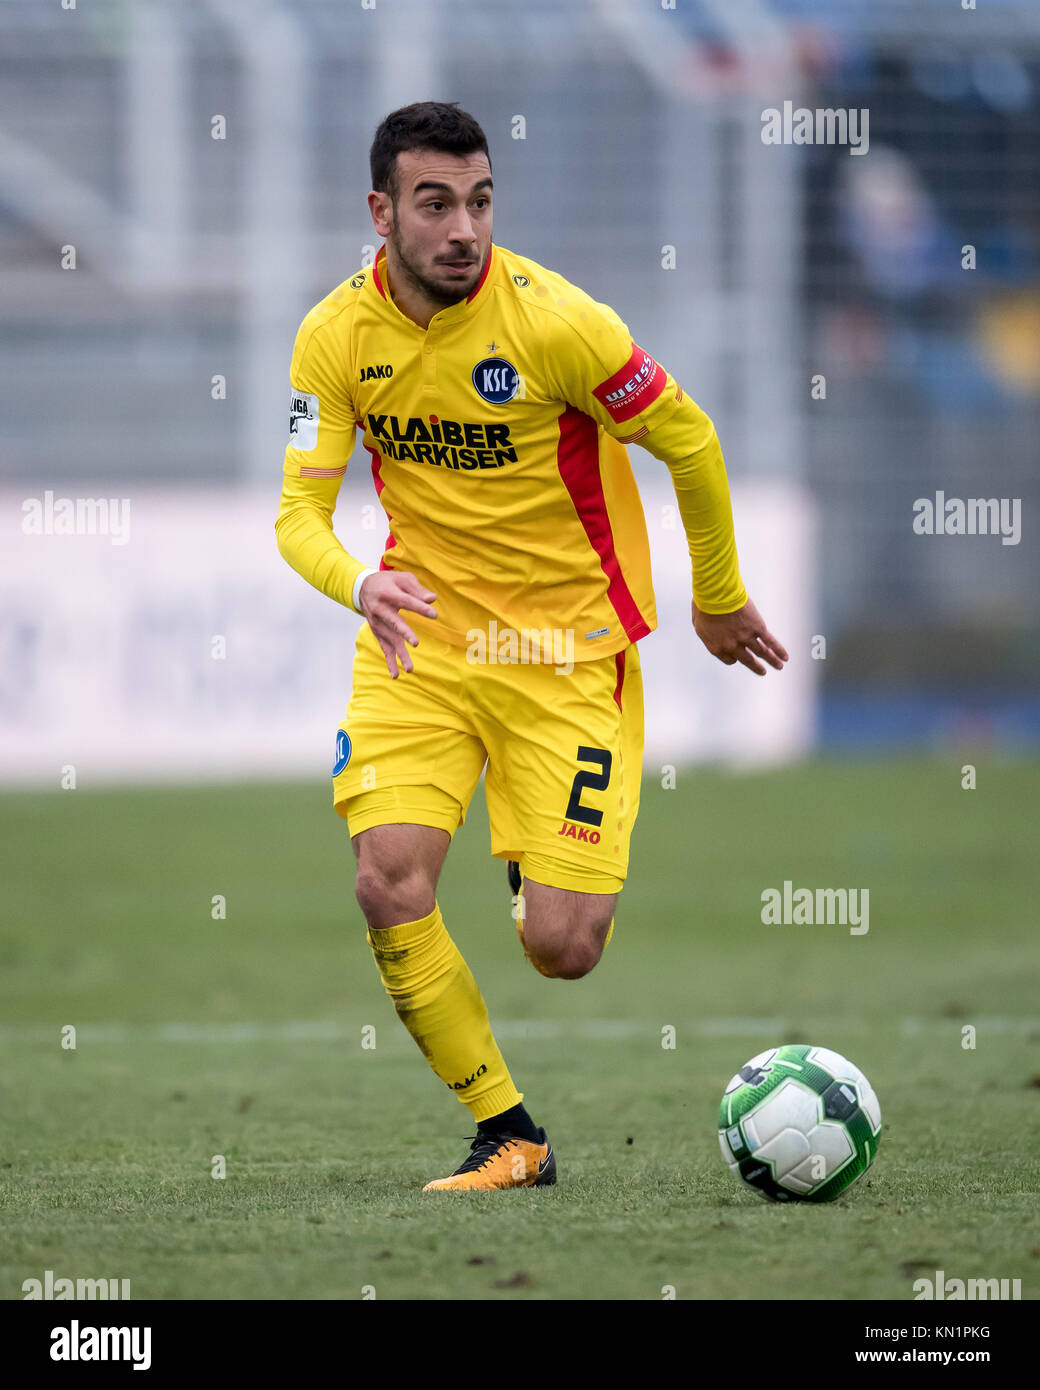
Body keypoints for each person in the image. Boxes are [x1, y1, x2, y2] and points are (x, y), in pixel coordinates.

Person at [275, 100, 788, 1191]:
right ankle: (509, 1134)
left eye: (480, 200)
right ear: (381, 213)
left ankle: (530, 855)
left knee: (562, 948)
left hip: (563, 655)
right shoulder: (333, 337)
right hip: (421, 643)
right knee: (385, 877)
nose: (464, 227)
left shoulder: (554, 322)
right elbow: (297, 517)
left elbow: (687, 438)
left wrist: (717, 594)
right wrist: (360, 583)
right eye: (435, 204)